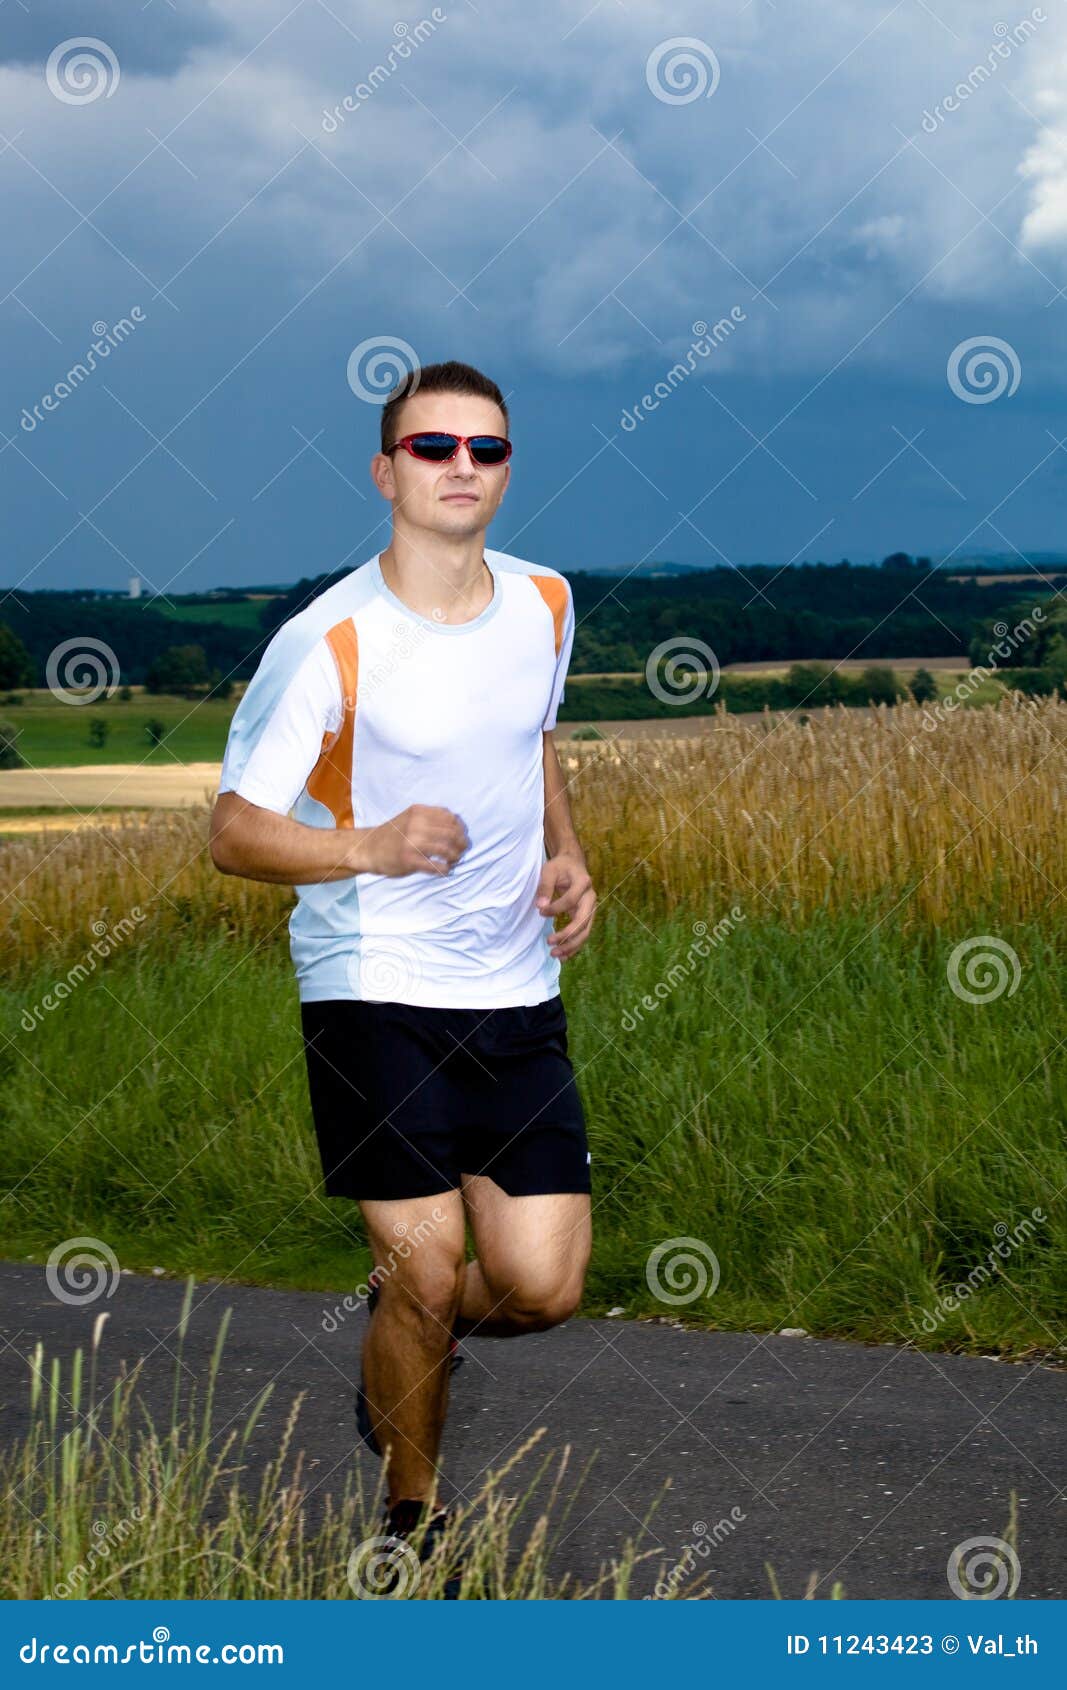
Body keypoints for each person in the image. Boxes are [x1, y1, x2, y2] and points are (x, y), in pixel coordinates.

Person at [209, 359, 597, 1590]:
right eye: (433, 448)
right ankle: (410, 1521)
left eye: (485, 449)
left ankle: (401, 1353)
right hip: (371, 983)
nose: (462, 469)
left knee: (538, 1288)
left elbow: (529, 738)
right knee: (423, 1267)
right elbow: (231, 829)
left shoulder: (544, 601)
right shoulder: (326, 641)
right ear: (386, 471)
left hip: (514, 988)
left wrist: (568, 852)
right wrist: (369, 846)